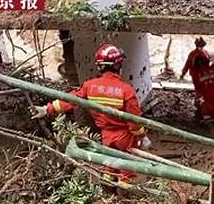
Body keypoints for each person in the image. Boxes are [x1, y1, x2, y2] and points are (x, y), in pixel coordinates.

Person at [31, 44, 151, 183]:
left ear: (100, 66)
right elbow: (134, 122)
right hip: (125, 136)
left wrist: (47, 109)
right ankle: (125, 193)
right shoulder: (126, 90)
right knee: (126, 166)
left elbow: (70, 100)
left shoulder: (90, 86)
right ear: (118, 66)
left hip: (106, 134)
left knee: (109, 162)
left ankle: (108, 186)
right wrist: (143, 136)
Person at [180, 37, 210, 106]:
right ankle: (197, 103)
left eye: (202, 46)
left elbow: (208, 64)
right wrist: (183, 73)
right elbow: (187, 64)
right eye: (200, 46)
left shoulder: (206, 53)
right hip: (195, 75)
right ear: (197, 46)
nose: (201, 47)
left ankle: (203, 103)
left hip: (204, 75)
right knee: (198, 89)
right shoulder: (192, 54)